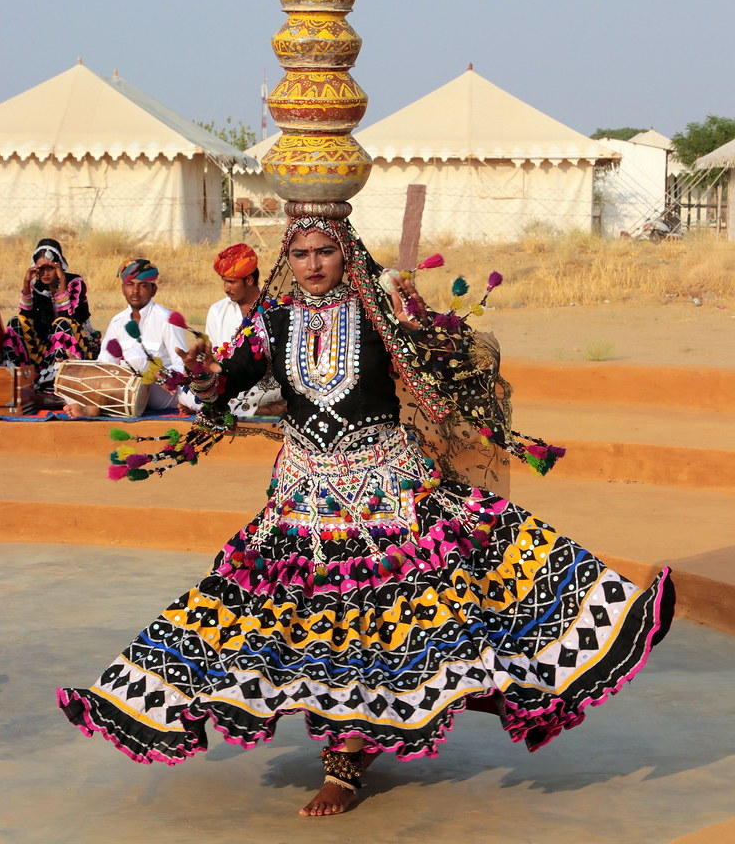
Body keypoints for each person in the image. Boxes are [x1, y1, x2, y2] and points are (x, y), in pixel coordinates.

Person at [57, 213, 675, 817]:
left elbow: (441, 366)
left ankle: (358, 758)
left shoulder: (378, 311)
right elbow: (230, 383)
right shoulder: (269, 320)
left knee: (410, 604)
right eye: (300, 255)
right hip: (306, 494)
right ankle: (336, 746)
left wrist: (422, 317)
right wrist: (204, 373)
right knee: (307, 623)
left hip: (389, 484)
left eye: (324, 252)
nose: (313, 265)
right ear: (287, 262)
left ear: (346, 253)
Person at [63, 258, 186, 418]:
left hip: (159, 392)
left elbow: (181, 363)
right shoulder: (117, 322)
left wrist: (164, 375)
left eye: (142, 285)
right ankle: (94, 405)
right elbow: (105, 364)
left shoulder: (167, 319)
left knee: (139, 358)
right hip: (123, 391)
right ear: (123, 288)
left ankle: (96, 405)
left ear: (153, 290)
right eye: (130, 284)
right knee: (67, 372)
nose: (135, 291)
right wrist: (80, 368)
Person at [177, 242, 284, 418]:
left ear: (249, 280)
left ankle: (238, 407)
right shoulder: (217, 310)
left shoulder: (274, 309)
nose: (226, 288)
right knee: (186, 392)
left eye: (231, 282)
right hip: (227, 380)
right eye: (224, 282)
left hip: (266, 384)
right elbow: (215, 353)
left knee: (270, 392)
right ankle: (250, 408)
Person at [0, 237, 99, 402]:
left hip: (76, 343)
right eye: (41, 269)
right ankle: (15, 379)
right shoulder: (36, 285)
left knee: (62, 325)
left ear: (59, 266)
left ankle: (55, 384)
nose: (45, 274)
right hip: (44, 345)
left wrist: (61, 284)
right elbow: (26, 316)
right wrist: (26, 283)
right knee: (16, 322)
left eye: (50, 268)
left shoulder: (75, 282)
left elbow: (68, 317)